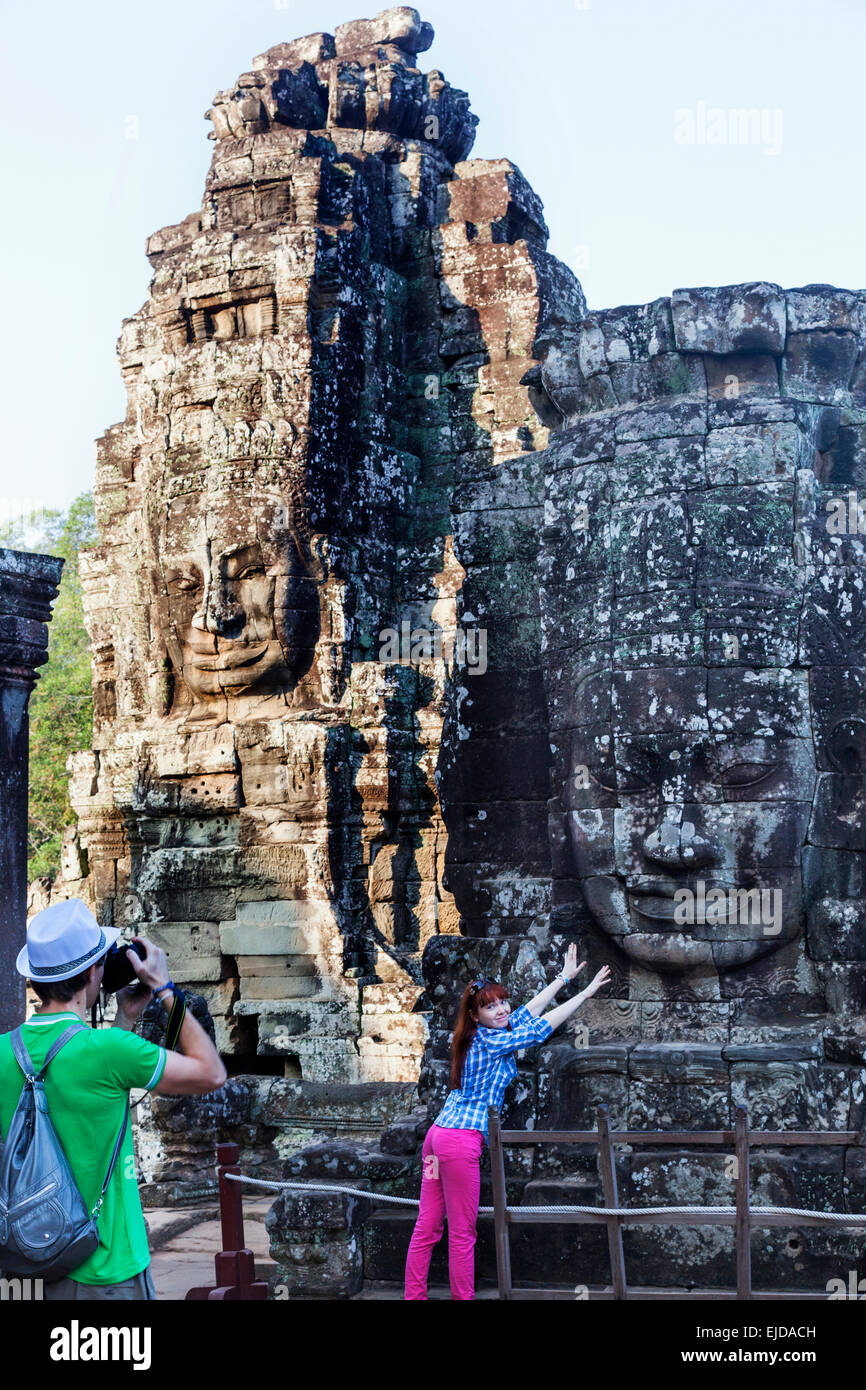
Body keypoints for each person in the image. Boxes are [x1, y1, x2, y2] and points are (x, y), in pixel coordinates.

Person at [0, 898, 227, 1300]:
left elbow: (97, 1088)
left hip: (26, 1270)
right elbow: (210, 1071)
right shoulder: (110, 1051)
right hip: (107, 1270)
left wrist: (126, 1018)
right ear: (91, 973)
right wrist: (165, 989)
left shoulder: (4, 1052)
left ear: (35, 979)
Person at [404, 944, 611, 1300]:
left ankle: (414, 1297)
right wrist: (586, 994)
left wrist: (564, 978)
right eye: (489, 1006)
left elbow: (527, 1014)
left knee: (428, 1224)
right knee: (462, 1232)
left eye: (502, 1002)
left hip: (437, 1139)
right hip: (457, 1144)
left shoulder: (481, 1036)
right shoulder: (491, 1042)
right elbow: (537, 1029)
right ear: (474, 1015)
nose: (500, 1010)